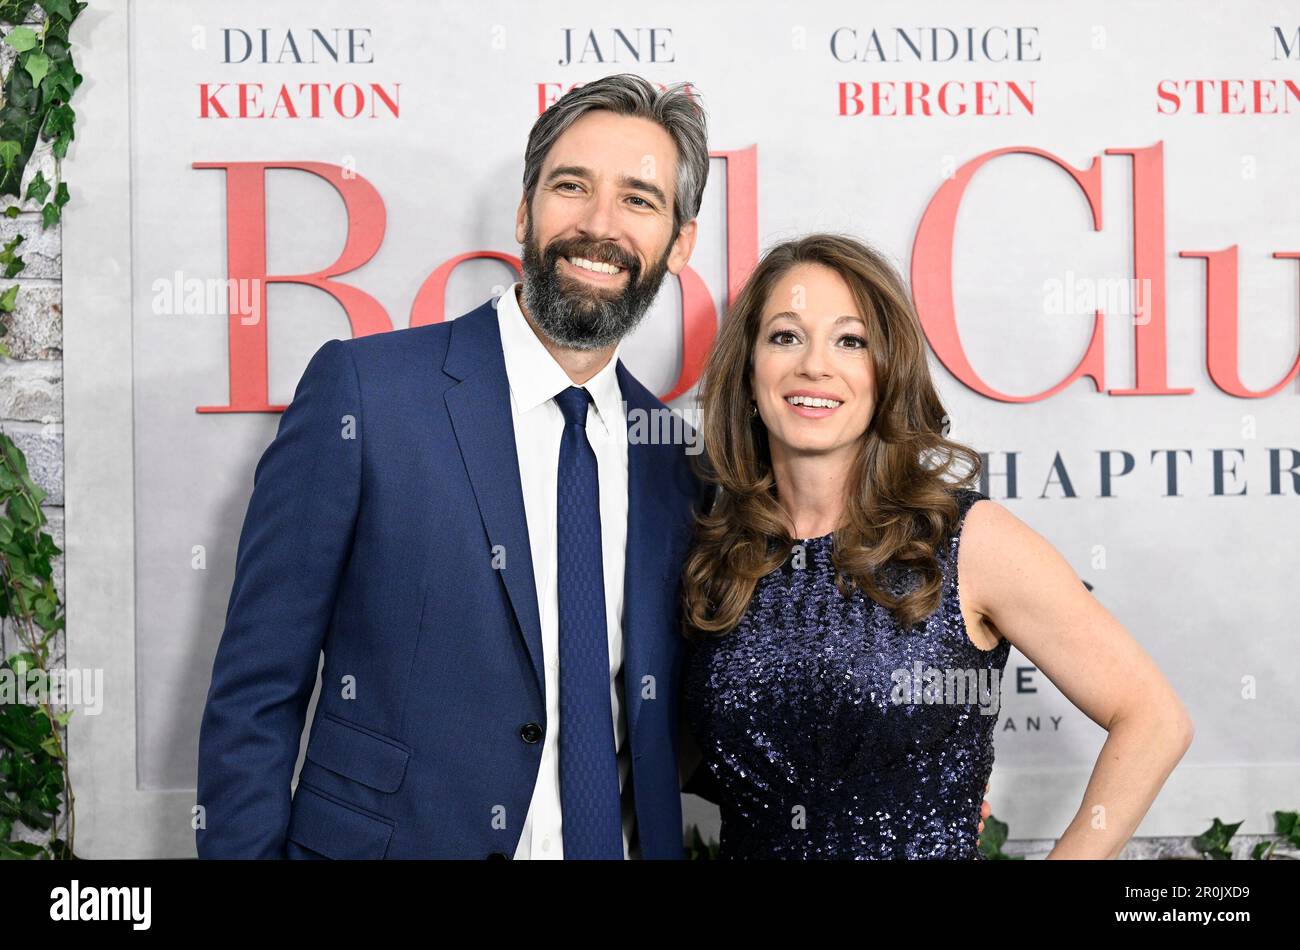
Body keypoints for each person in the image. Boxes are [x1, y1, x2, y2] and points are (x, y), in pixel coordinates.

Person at [196, 73, 709, 859]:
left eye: (639, 199)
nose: (599, 223)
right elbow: (254, 694)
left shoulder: (675, 459)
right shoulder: (366, 395)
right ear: (524, 209)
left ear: (680, 242)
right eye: (571, 186)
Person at [678, 233, 1194, 859]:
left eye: (851, 340)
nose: (814, 364)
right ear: (749, 371)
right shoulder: (715, 551)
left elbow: (1154, 720)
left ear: (887, 370)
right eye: (785, 336)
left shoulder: (967, 540)